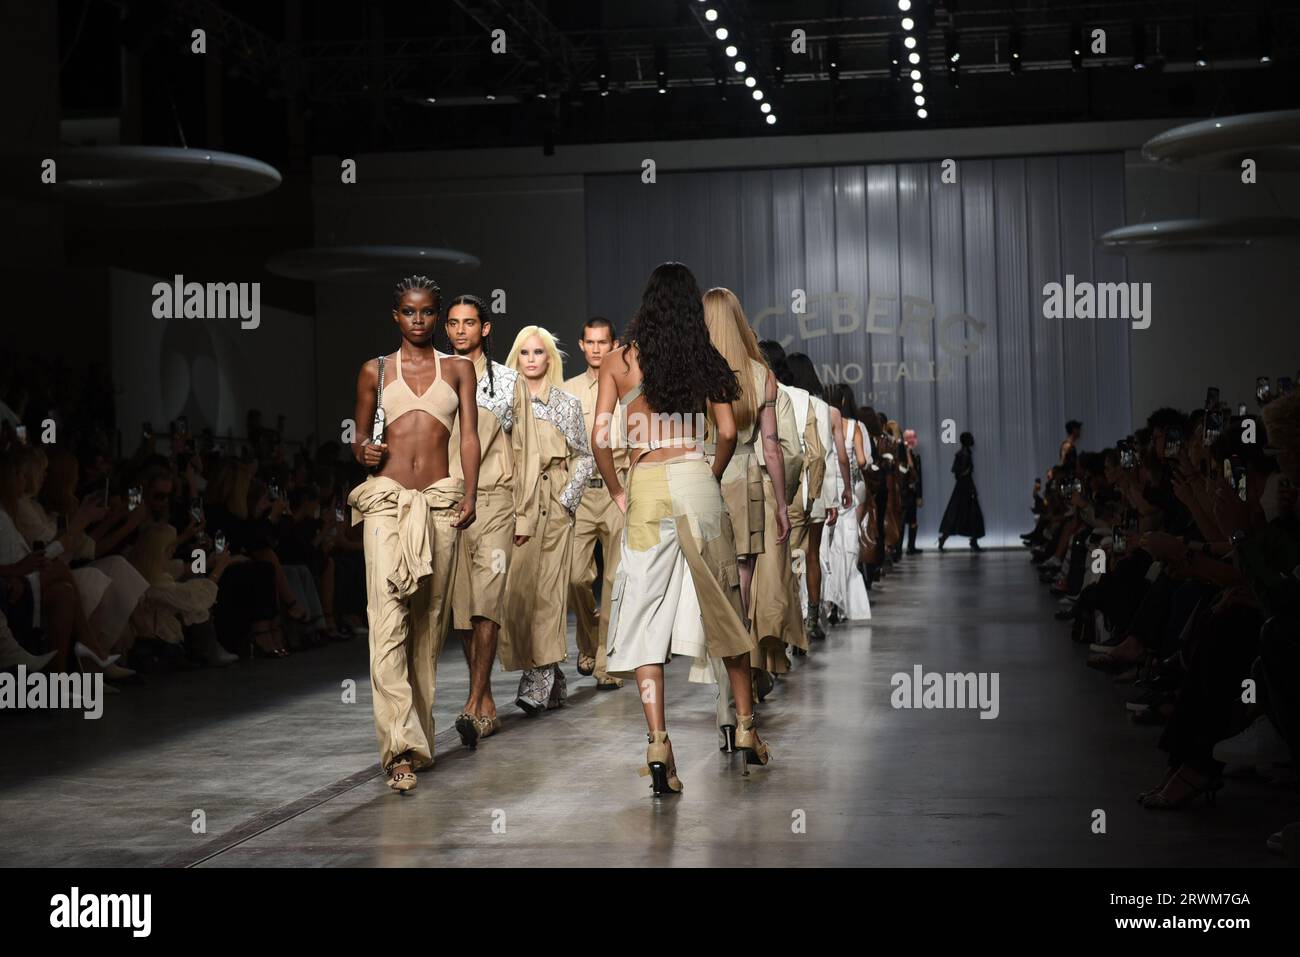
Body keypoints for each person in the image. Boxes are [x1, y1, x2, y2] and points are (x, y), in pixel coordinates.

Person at [593, 262, 770, 796]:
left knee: (644, 617)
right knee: (724, 606)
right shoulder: (704, 358)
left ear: (646, 304)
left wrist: (621, 491)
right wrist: (709, 474)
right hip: (696, 478)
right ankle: (744, 728)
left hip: (645, 483)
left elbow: (601, 439)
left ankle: (657, 744)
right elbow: (726, 431)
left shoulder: (620, 362)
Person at [347, 275, 480, 793]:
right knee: (386, 620)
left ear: (438, 315)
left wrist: (470, 493)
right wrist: (363, 451)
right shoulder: (374, 371)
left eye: (427, 313)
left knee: (429, 623)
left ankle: (419, 735)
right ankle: (398, 749)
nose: (418, 321)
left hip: (442, 502)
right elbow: (358, 435)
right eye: (408, 312)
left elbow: (467, 434)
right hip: (386, 502)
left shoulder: (459, 368)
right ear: (395, 315)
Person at [444, 294, 541, 748]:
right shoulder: (437, 378)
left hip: (497, 501)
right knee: (462, 610)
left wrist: (524, 510)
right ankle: (484, 707)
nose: (460, 330)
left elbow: (525, 448)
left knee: (487, 601)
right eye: (453, 323)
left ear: (485, 328)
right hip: (446, 501)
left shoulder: (507, 381)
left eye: (469, 323)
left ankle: (472, 702)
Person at [499, 325, 594, 714]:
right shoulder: (505, 403)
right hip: (516, 503)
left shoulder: (566, 404)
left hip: (554, 501)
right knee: (517, 594)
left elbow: (585, 456)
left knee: (550, 591)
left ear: (549, 359)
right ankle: (551, 673)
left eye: (539, 352)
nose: (532, 359)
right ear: (515, 358)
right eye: (525, 353)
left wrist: (566, 501)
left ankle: (537, 677)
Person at [561, 317, 627, 690]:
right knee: (575, 576)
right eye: (591, 342)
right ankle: (588, 641)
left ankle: (607, 660)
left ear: (614, 343)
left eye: (604, 342)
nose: (598, 348)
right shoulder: (568, 391)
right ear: (582, 345)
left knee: (616, 580)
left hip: (620, 484)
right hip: (583, 490)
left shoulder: (629, 384)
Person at [786, 354, 851, 639]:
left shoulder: (787, 401)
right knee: (813, 555)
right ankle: (813, 618)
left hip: (795, 486)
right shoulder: (827, 410)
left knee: (790, 557)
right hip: (820, 489)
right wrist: (836, 497)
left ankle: (794, 622)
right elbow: (834, 456)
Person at [938, 431, 985, 551]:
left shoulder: (963, 454)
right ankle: (973, 542)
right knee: (971, 515)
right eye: (971, 438)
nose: (973, 439)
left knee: (956, 514)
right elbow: (961, 473)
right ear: (967, 441)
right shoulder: (965, 454)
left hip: (962, 488)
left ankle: (943, 540)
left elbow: (957, 473)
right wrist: (970, 487)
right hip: (965, 488)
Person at [900, 428, 924, 554]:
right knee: (903, 521)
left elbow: (918, 477)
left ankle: (911, 547)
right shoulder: (901, 455)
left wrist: (919, 496)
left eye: (912, 438)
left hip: (912, 493)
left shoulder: (916, 457)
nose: (910, 441)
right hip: (903, 493)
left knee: (913, 521)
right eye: (907, 438)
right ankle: (898, 548)